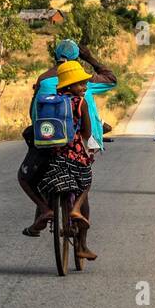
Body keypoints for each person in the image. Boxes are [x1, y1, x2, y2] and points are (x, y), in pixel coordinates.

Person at [19, 41, 115, 249]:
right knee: (83, 183)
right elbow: (111, 79)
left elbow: (34, 114)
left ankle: (44, 210)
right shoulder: (85, 84)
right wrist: (89, 57)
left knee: (34, 174)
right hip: (77, 145)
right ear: (76, 61)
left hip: (47, 140)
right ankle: (81, 244)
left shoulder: (44, 79)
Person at [32, 61, 98, 260]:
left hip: (52, 153)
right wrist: (81, 141)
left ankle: (42, 213)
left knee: (45, 181)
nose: (84, 87)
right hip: (74, 152)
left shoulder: (50, 101)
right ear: (70, 85)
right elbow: (86, 132)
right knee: (86, 181)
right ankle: (77, 215)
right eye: (80, 84)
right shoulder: (80, 102)